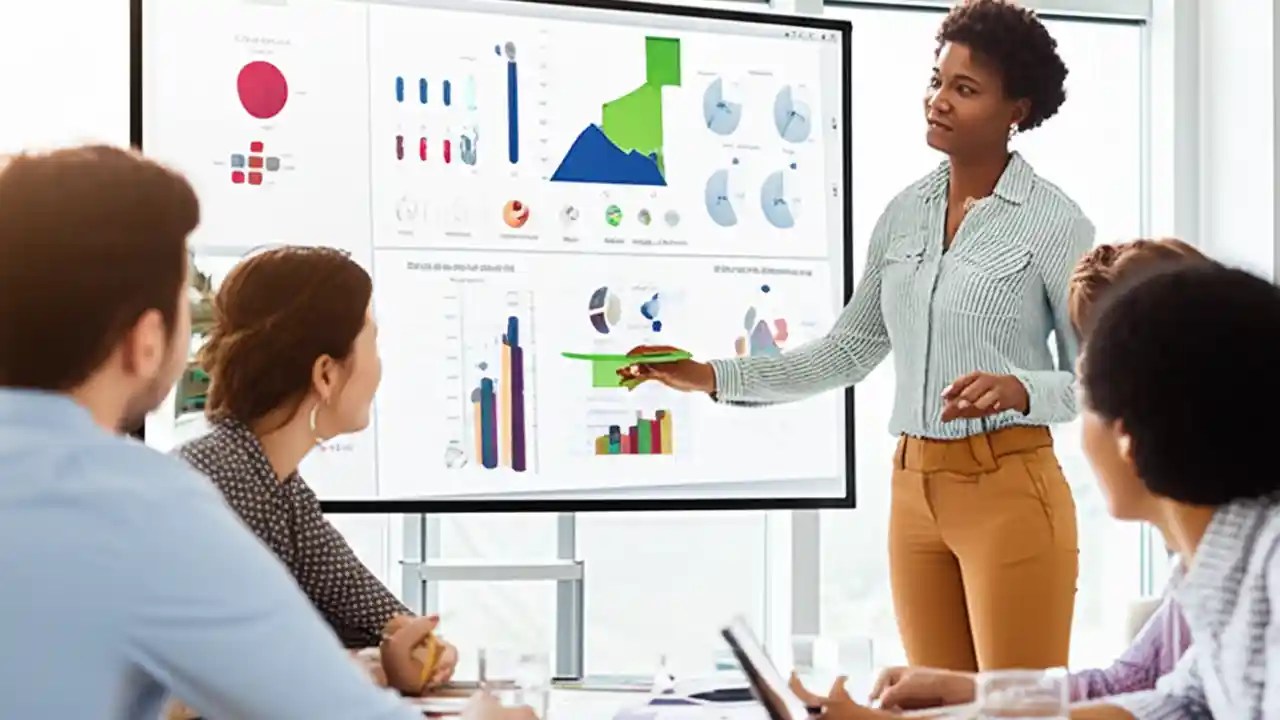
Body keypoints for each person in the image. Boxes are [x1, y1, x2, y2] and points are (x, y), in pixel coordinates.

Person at [626, 0, 1091, 671]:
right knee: (931, 706)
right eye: (937, 81)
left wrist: (1020, 388)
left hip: (1011, 491)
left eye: (965, 89)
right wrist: (709, 375)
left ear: (1017, 108)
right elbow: (848, 351)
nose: (938, 101)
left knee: (1014, 713)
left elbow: (1090, 385)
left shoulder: (1055, 223)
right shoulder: (904, 214)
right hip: (912, 492)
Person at [0, 145, 526, 719]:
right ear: (145, 342)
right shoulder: (146, 502)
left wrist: (374, 663)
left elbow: (380, 626)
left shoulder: (274, 492)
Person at [798, 260, 1280, 719]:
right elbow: (1172, 704)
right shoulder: (1221, 567)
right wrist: (972, 700)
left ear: (1127, 438)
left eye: (1084, 401)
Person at [864, 239, 1206, 711]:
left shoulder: (1251, 569)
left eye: (1087, 388)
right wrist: (975, 693)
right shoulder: (1200, 568)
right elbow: (1144, 684)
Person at [174, 245, 458, 694]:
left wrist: (413, 652)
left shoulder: (279, 487)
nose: (380, 367)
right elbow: (253, 678)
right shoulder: (220, 482)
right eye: (373, 342)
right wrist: (365, 665)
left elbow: (395, 629)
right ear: (326, 374)